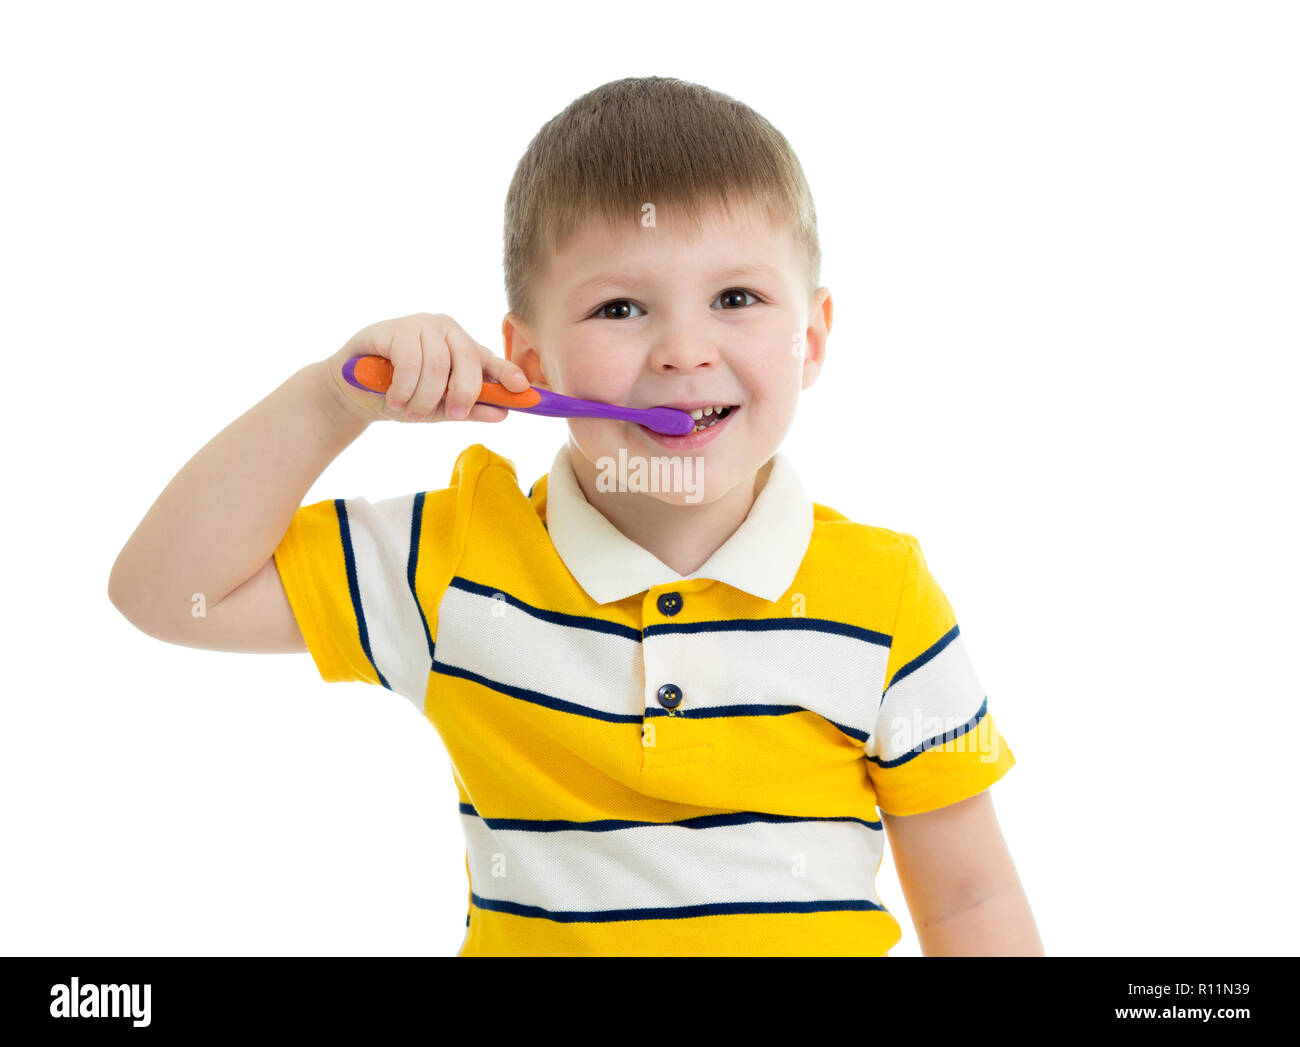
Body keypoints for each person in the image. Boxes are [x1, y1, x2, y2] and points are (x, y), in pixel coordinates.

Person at [109, 75, 1043, 957]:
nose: (683, 351)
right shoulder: (457, 561)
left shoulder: (885, 594)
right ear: (531, 359)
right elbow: (168, 592)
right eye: (621, 306)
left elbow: (970, 899)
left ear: (814, 337)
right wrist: (329, 400)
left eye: (737, 298)